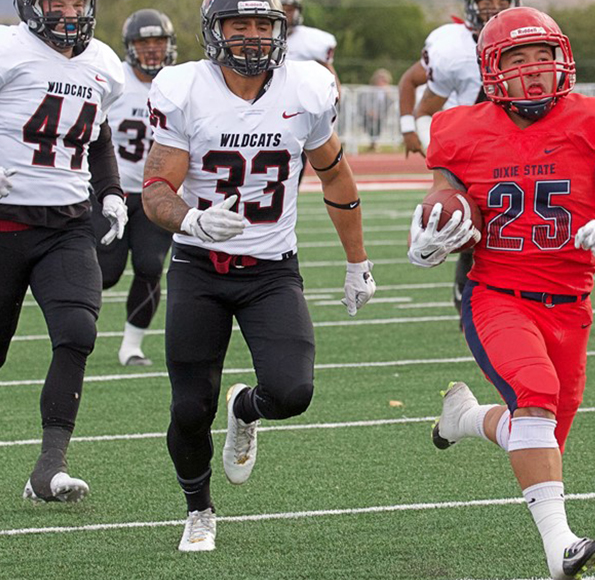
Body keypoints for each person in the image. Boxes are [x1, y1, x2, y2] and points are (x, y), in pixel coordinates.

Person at [411, 8, 595, 579]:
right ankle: (561, 547)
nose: (533, 70)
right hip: (497, 294)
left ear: (562, 61)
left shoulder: (594, 122)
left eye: (543, 57)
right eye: (517, 59)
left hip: (572, 305)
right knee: (536, 395)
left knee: (541, 424)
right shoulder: (461, 129)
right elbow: (439, 208)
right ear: (492, 70)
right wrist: (427, 243)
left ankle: (467, 417)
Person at [141, 0, 376, 552]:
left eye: (262, 25)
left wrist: (357, 261)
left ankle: (244, 408)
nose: (251, 37)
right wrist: (193, 219)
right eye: (238, 26)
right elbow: (155, 191)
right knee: (188, 407)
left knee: (293, 391)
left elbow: (335, 174)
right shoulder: (185, 88)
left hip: (272, 270)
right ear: (214, 31)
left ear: (280, 30)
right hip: (199, 268)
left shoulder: (308, 88)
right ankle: (199, 509)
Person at [0, 0, 126, 504]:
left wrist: (112, 190)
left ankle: (49, 466)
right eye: (59, 1)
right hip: (4, 221)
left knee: (78, 331)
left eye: (78, 1)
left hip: (69, 223)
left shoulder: (104, 63)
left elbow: (98, 135)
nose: (70, 11)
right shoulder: (9, 49)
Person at [398, 0, 517, 323]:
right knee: (469, 213)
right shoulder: (452, 48)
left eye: (500, 1)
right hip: (468, 144)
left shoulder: (526, 33)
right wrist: (413, 130)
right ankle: (465, 285)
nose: (493, 7)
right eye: (485, 1)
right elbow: (415, 89)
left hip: (514, 141)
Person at [93, 9, 177, 367]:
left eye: (159, 41)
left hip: (155, 193)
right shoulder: (115, 78)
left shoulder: (178, 83)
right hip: (111, 189)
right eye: (144, 42)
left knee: (149, 265)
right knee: (106, 273)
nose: (153, 49)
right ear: (130, 47)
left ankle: (131, 346)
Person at [282, 0, 335, 73]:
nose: (285, 14)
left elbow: (329, 72)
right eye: (281, 9)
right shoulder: (265, 36)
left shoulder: (312, 38)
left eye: (290, 10)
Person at [359, 68, 393, 152]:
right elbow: (364, 103)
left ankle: (374, 143)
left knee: (379, 123)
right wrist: (370, 111)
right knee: (370, 123)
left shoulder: (389, 92)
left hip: (382, 115)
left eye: (384, 80)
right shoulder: (369, 91)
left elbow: (390, 104)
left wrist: (388, 94)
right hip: (369, 115)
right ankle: (373, 143)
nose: (382, 82)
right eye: (380, 79)